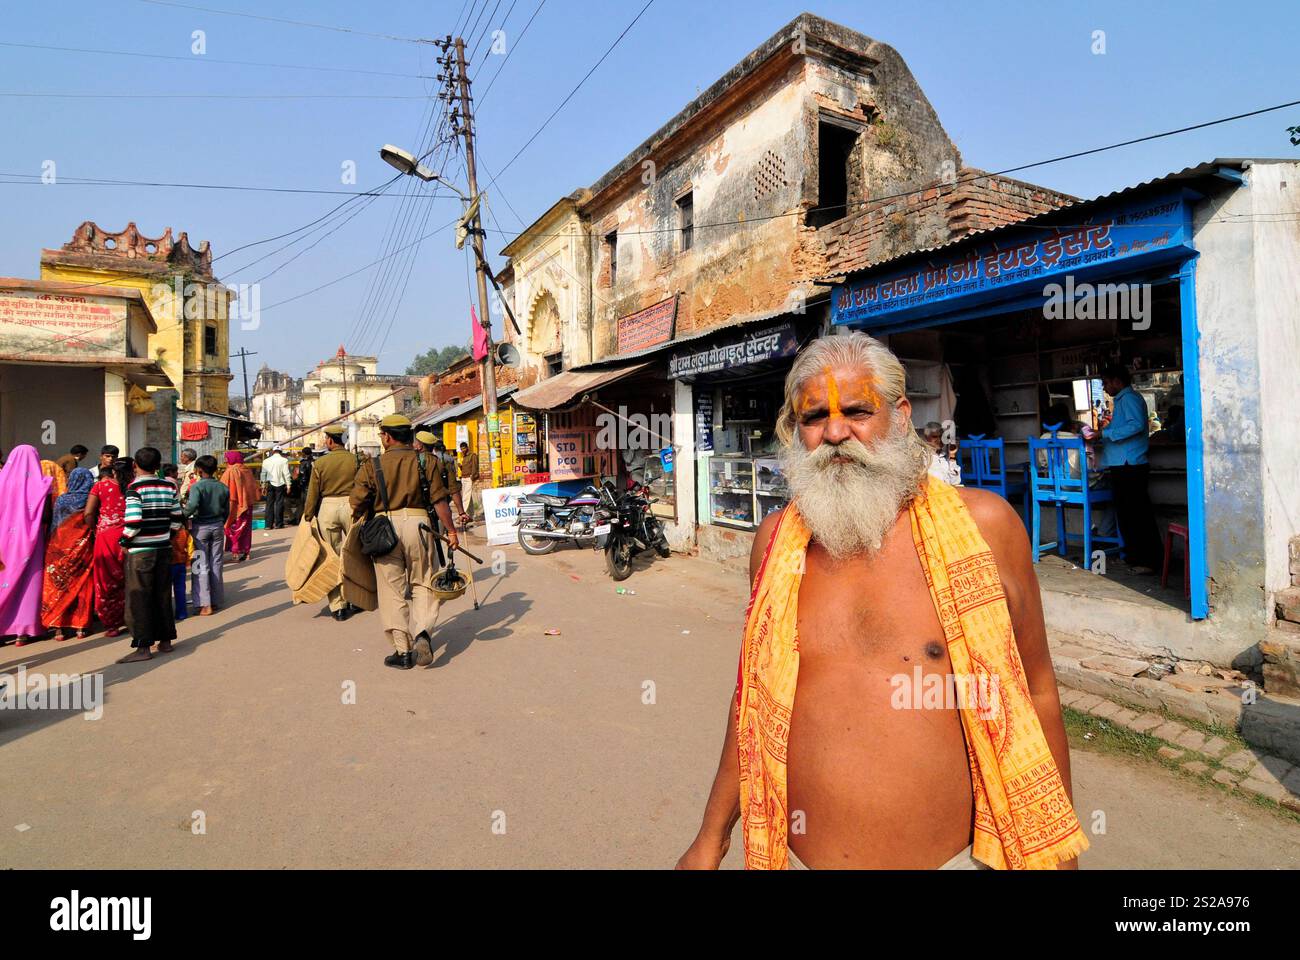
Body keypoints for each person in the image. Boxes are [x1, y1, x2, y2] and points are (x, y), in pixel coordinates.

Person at [676, 332, 1086, 871]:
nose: (837, 433)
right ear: (797, 431)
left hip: (962, 859)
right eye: (815, 416)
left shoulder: (985, 527)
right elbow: (750, 699)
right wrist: (711, 838)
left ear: (901, 415)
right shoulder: (776, 544)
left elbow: (1038, 691)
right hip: (797, 857)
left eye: (857, 411)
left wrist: (1053, 851)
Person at [349, 414, 458, 670]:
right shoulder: (426, 461)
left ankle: (403, 650)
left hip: (385, 528)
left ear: (387, 436)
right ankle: (423, 634)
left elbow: (356, 501)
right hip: (420, 526)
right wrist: (451, 531)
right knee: (424, 582)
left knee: (392, 590)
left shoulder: (372, 464)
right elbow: (440, 502)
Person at [1084, 364, 1162, 574]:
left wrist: (1104, 434)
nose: (1105, 387)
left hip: (1130, 465)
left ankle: (1148, 561)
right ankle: (1134, 558)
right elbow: (1125, 426)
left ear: (1118, 381)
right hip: (1123, 465)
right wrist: (1101, 433)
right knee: (1128, 515)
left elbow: (1135, 425)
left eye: (1106, 383)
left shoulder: (1129, 399)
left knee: (1137, 515)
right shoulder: (1123, 401)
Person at [117, 447, 183, 664]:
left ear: (135, 465)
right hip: (163, 548)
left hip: (141, 551)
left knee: (139, 598)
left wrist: (124, 541)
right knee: (162, 594)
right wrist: (167, 536)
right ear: (158, 466)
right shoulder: (169, 486)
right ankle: (166, 641)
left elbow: (134, 521)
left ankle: (143, 646)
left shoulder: (134, 488)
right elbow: (177, 517)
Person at [302, 425, 359, 621]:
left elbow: (313, 492)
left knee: (331, 557)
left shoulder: (320, 463)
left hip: (328, 506)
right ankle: (356, 598)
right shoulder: (356, 459)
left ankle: (338, 606)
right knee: (354, 554)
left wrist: (308, 515)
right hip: (352, 505)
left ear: (330, 440)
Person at [0, 445, 54, 647]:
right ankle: (24, 631)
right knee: (29, 583)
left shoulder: (0, 481)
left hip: (3, 540)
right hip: (31, 540)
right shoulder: (42, 484)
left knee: (3, 579)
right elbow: (47, 515)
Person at [41, 466, 97, 641]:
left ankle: (58, 629)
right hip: (83, 548)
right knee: (82, 586)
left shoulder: (61, 500)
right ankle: (80, 627)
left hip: (58, 549)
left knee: (59, 586)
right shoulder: (91, 500)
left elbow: (53, 523)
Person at [85, 457, 133, 638]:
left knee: (106, 580)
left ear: (113, 471)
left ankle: (111, 624)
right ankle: (132, 619)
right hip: (130, 535)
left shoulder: (100, 486)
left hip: (106, 536)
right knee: (130, 579)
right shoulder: (133, 487)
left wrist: (95, 529)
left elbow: (89, 513)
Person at [184, 454, 229, 616]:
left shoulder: (197, 486)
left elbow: (192, 506)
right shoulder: (223, 487)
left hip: (200, 527)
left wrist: (182, 514)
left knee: (200, 565)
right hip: (217, 526)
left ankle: (204, 604)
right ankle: (216, 600)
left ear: (199, 470)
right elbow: (227, 511)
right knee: (216, 563)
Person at [221, 450, 260, 562]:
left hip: (234, 505)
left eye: (227, 458)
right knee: (245, 529)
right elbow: (253, 488)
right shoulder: (246, 470)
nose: (225, 460)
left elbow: (224, 489)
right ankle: (246, 552)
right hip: (247, 505)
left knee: (233, 528)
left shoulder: (231, 471)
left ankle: (235, 553)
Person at [163, 464, 190, 620]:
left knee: (164, 586)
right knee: (179, 583)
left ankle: (166, 613)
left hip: (164, 549)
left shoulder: (162, 486)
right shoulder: (172, 484)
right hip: (178, 543)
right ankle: (181, 612)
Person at [921, 421, 962, 486]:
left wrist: (952, 455)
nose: (939, 440)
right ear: (926, 438)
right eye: (935, 437)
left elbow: (955, 482)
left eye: (941, 437)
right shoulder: (922, 457)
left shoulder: (944, 457)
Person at [261, 447, 291, 530]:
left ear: (273, 451)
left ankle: (268, 525)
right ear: (280, 452)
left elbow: (263, 474)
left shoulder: (266, 461)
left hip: (270, 483)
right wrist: (288, 485)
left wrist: (263, 486)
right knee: (279, 504)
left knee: (269, 504)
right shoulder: (284, 460)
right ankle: (279, 524)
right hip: (280, 484)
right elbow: (286, 473)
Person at [457, 441, 476, 525]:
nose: (463, 450)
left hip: (469, 478)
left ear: (467, 447)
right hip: (464, 478)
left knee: (465, 497)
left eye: (464, 448)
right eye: (461, 449)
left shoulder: (472, 455)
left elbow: (475, 466)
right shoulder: (463, 457)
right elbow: (465, 468)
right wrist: (460, 467)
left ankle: (462, 515)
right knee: (468, 497)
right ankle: (471, 515)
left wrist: (473, 476)